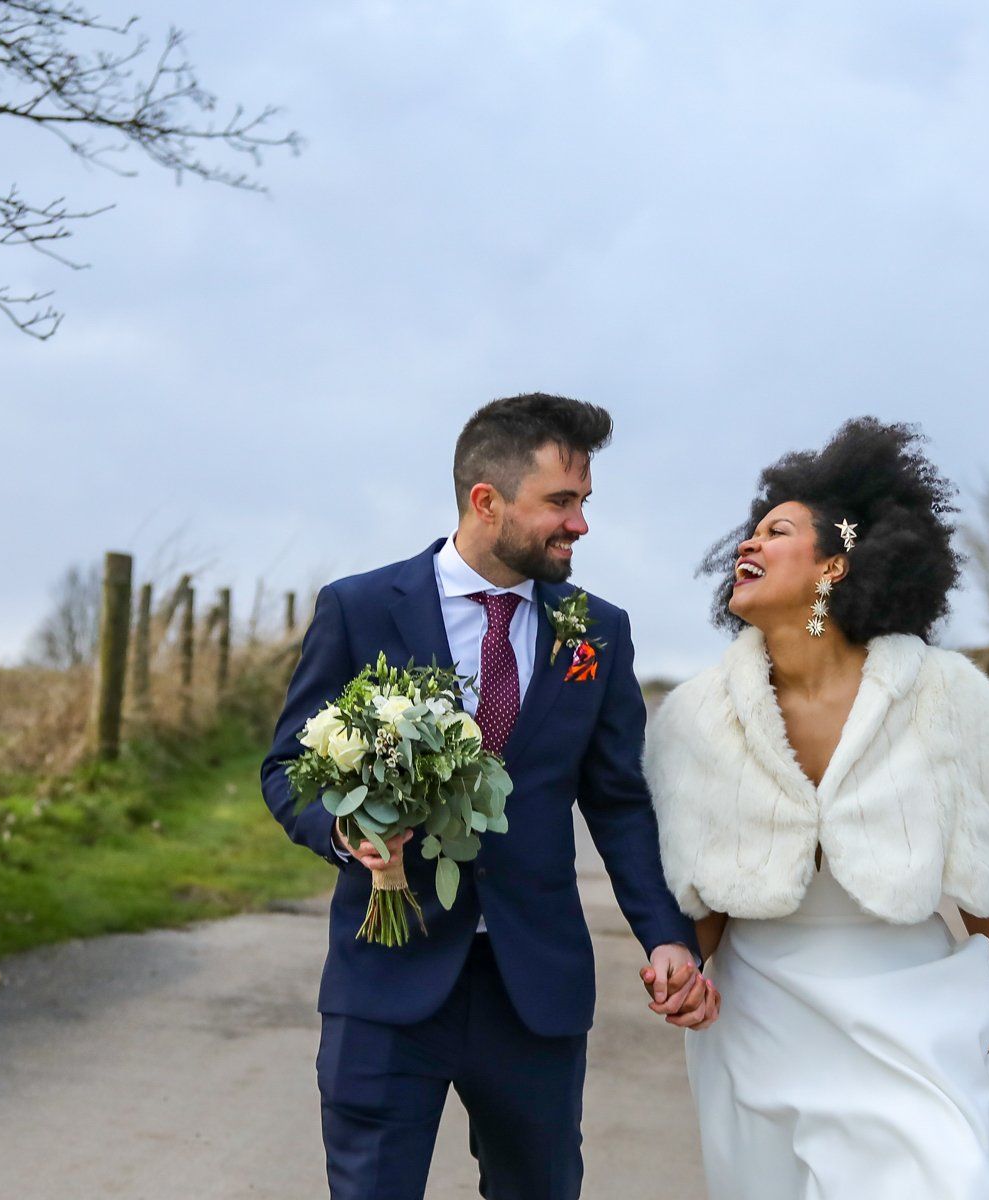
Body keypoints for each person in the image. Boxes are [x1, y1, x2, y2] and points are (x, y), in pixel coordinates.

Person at [262, 393, 713, 1200]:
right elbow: (286, 765)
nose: (579, 525)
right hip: (387, 979)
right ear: (486, 501)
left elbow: (616, 801)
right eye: (561, 503)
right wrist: (343, 833)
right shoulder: (361, 609)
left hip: (532, 988)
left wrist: (666, 936)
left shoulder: (595, 632)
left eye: (584, 504)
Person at [644, 417, 989, 1199]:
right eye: (749, 534)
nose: (748, 546)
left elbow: (986, 858)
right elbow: (703, 889)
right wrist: (683, 970)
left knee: (959, 1175)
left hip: (910, 994)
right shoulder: (695, 717)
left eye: (778, 531)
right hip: (762, 1009)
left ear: (833, 564)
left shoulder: (944, 693)